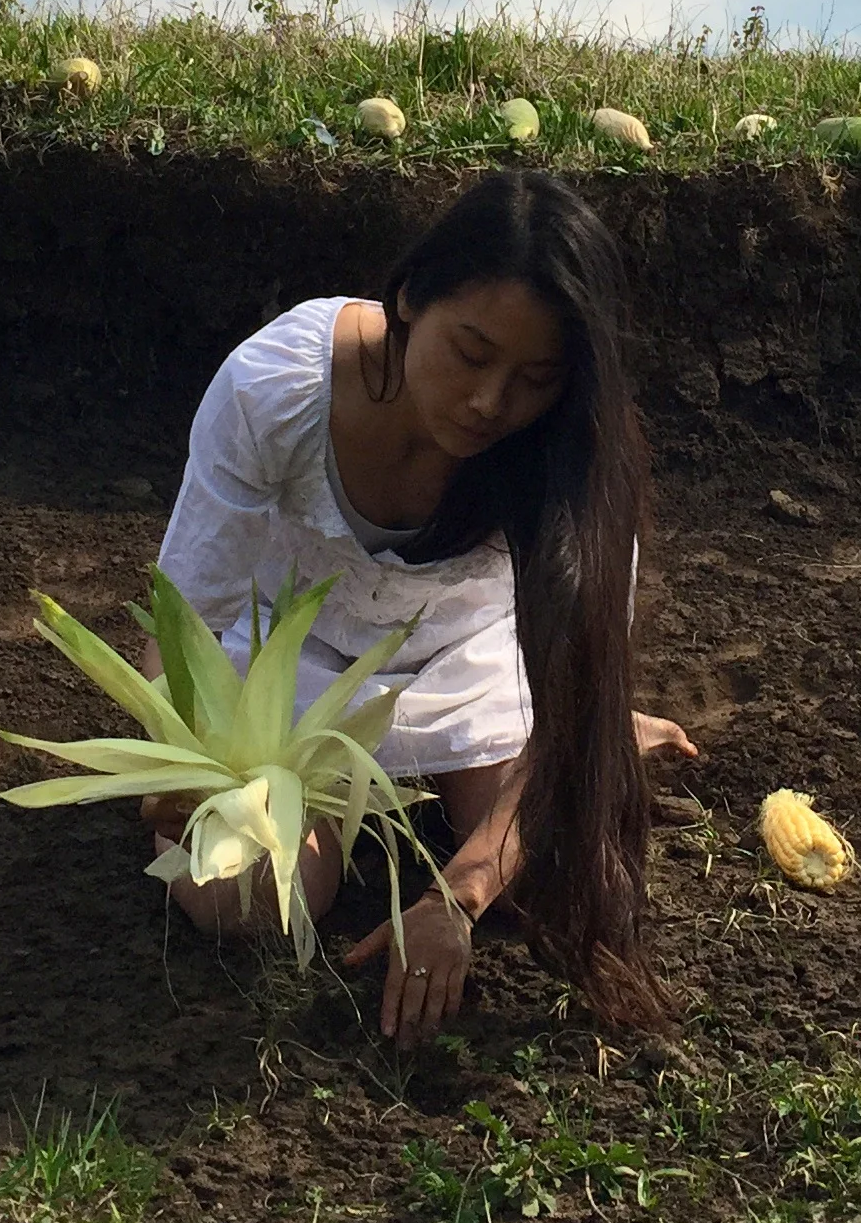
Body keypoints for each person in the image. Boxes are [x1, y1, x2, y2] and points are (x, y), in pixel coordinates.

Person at [142, 169, 698, 1047]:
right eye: (471, 354)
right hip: (297, 663)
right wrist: (179, 765)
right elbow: (189, 613)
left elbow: (575, 643)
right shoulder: (276, 388)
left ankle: (596, 735)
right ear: (407, 299)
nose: (489, 404)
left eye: (535, 377)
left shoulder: (576, 452)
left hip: (465, 656)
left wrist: (458, 895)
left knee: (573, 881)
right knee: (245, 901)